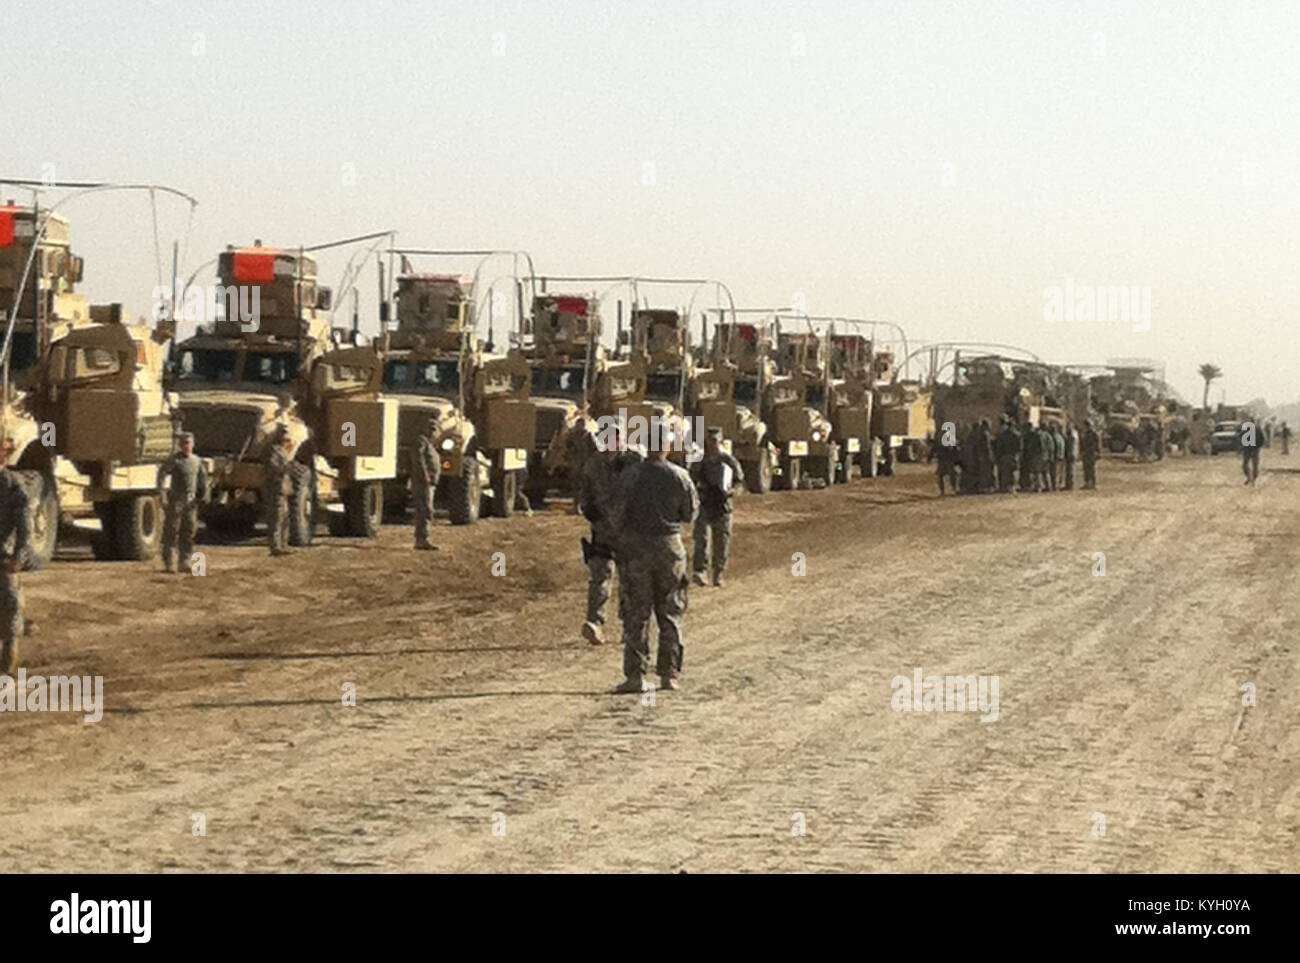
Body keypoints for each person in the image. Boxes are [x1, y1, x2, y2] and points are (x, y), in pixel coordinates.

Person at [610, 425, 698, 693]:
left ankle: (635, 676)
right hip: (669, 548)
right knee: (670, 612)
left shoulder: (629, 476)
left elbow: (616, 513)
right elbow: (690, 514)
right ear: (668, 446)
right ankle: (669, 674)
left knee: (637, 613)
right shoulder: (680, 476)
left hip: (636, 547)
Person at [578, 425, 642, 645]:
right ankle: (595, 622)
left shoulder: (636, 460)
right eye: (607, 437)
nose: (612, 441)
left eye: (616, 436)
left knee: (628, 579)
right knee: (600, 576)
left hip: (630, 530)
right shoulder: (594, 464)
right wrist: (588, 509)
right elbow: (585, 492)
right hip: (602, 529)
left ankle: (628, 626)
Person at [690, 427, 745, 587]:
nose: (712, 444)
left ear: (721, 442)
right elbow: (691, 480)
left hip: (723, 506)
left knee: (722, 542)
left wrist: (732, 491)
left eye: (715, 441)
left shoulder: (729, 461)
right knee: (702, 540)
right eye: (709, 441)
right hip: (705, 505)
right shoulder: (700, 461)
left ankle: (718, 573)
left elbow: (740, 482)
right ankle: (700, 571)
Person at [158, 431, 208, 573]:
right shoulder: (175, 460)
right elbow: (162, 474)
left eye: (189, 443)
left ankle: (185, 561)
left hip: (191, 502)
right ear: (180, 445)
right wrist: (162, 494)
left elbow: (202, 480)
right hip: (176, 500)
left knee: (189, 531)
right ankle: (169, 562)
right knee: (171, 531)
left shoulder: (197, 461)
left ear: (193, 444)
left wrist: (202, 497)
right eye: (184, 443)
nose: (187, 446)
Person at [0, 439, 30, 674]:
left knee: (10, 614)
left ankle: (7, 668)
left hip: (5, 559)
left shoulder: (12, 485)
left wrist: (19, 556)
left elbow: (25, 526)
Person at [264, 425, 295, 556]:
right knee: (276, 518)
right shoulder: (273, 450)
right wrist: (286, 468)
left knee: (285, 518)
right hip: (275, 487)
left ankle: (283, 544)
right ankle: (275, 547)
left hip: (284, 488)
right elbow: (272, 466)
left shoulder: (282, 450)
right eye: (283, 434)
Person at [411, 417, 441, 551]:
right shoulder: (421, 441)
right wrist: (425, 476)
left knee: (426, 509)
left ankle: (423, 538)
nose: (433, 432)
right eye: (431, 429)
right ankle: (422, 539)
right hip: (424, 482)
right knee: (425, 510)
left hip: (429, 482)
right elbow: (418, 459)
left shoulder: (429, 443)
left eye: (434, 429)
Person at [994, 416, 1020, 493]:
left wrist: (999, 455)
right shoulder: (1017, 434)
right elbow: (1020, 446)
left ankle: (1005, 487)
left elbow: (999, 446)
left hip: (1005, 455)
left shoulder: (1002, 435)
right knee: (1014, 472)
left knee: (1005, 472)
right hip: (1013, 455)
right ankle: (1013, 487)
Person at [1020, 420, 1042, 493]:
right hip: (1035, 455)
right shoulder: (1037, 435)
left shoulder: (1026, 436)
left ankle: (1032, 486)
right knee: (1036, 472)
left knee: (1031, 472)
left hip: (1031, 456)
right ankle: (1037, 487)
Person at [1080, 419, 1101, 489]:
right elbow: (1082, 444)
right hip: (1086, 454)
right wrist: (1082, 452)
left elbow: (1097, 444)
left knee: (1091, 469)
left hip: (1091, 454)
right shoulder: (1085, 434)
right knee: (1086, 469)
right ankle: (1087, 483)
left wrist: (1098, 453)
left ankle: (1093, 484)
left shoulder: (1094, 434)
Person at [1063, 421, 1079, 490]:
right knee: (1068, 470)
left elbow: (1071, 445)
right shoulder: (1073, 434)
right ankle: (1068, 484)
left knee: (1071, 469)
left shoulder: (1072, 435)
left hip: (1072, 453)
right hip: (1071, 453)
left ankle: (1071, 485)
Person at [1051, 422, 1066, 490]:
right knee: (1059, 471)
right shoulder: (1060, 437)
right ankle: (1059, 484)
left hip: (1056, 456)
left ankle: (1055, 485)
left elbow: (1054, 447)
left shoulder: (1054, 437)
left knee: (1055, 471)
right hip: (1061, 456)